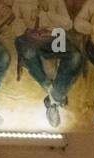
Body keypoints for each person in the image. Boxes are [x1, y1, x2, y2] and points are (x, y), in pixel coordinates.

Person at [12, 0, 85, 129]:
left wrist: (47, 15)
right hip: (30, 37)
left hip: (54, 36)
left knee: (75, 56)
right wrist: (26, 30)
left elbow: (67, 24)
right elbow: (15, 21)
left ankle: (53, 98)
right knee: (28, 51)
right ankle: (49, 88)